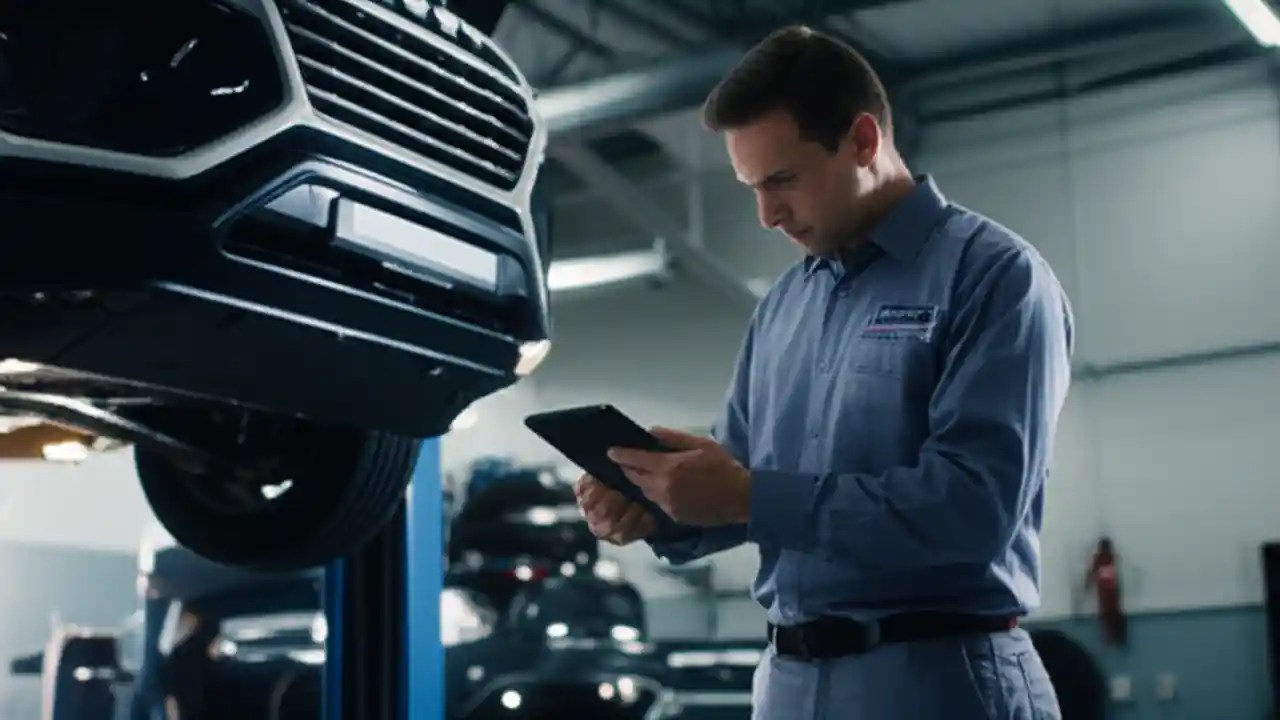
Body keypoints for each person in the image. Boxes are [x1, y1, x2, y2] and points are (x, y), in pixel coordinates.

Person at [574, 24, 1074, 720]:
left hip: (940, 681)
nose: (767, 214)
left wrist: (749, 496)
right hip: (788, 685)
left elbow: (971, 511)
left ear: (863, 141)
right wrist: (658, 507)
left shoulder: (993, 276)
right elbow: (745, 486)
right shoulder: (783, 305)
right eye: (752, 187)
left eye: (783, 180)